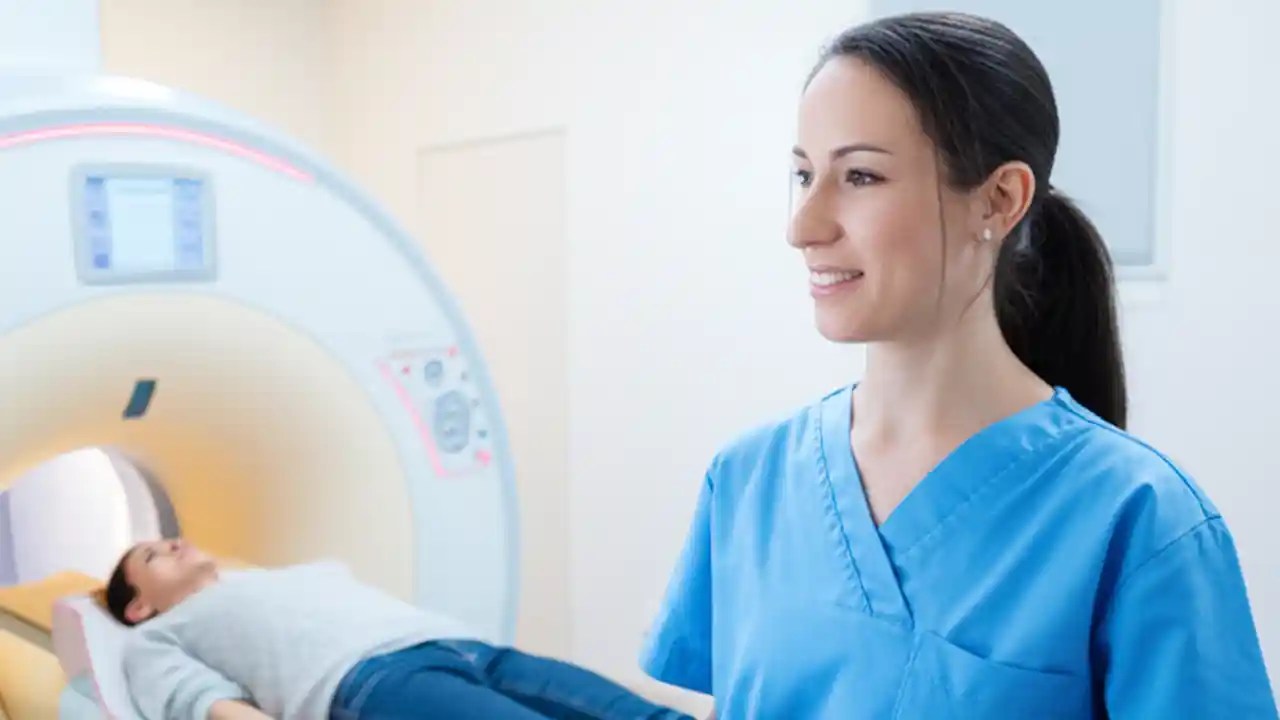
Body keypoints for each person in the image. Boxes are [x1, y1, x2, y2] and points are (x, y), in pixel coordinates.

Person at [640, 11, 1277, 720]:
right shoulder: (748, 481)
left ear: (1000, 200)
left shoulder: (1137, 519)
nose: (804, 226)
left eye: (859, 175)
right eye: (802, 174)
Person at [105, 538, 690, 720]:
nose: (172, 543)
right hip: (370, 682)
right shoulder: (156, 638)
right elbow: (206, 702)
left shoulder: (277, 578)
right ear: (137, 607)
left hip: (464, 650)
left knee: (629, 713)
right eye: (153, 557)